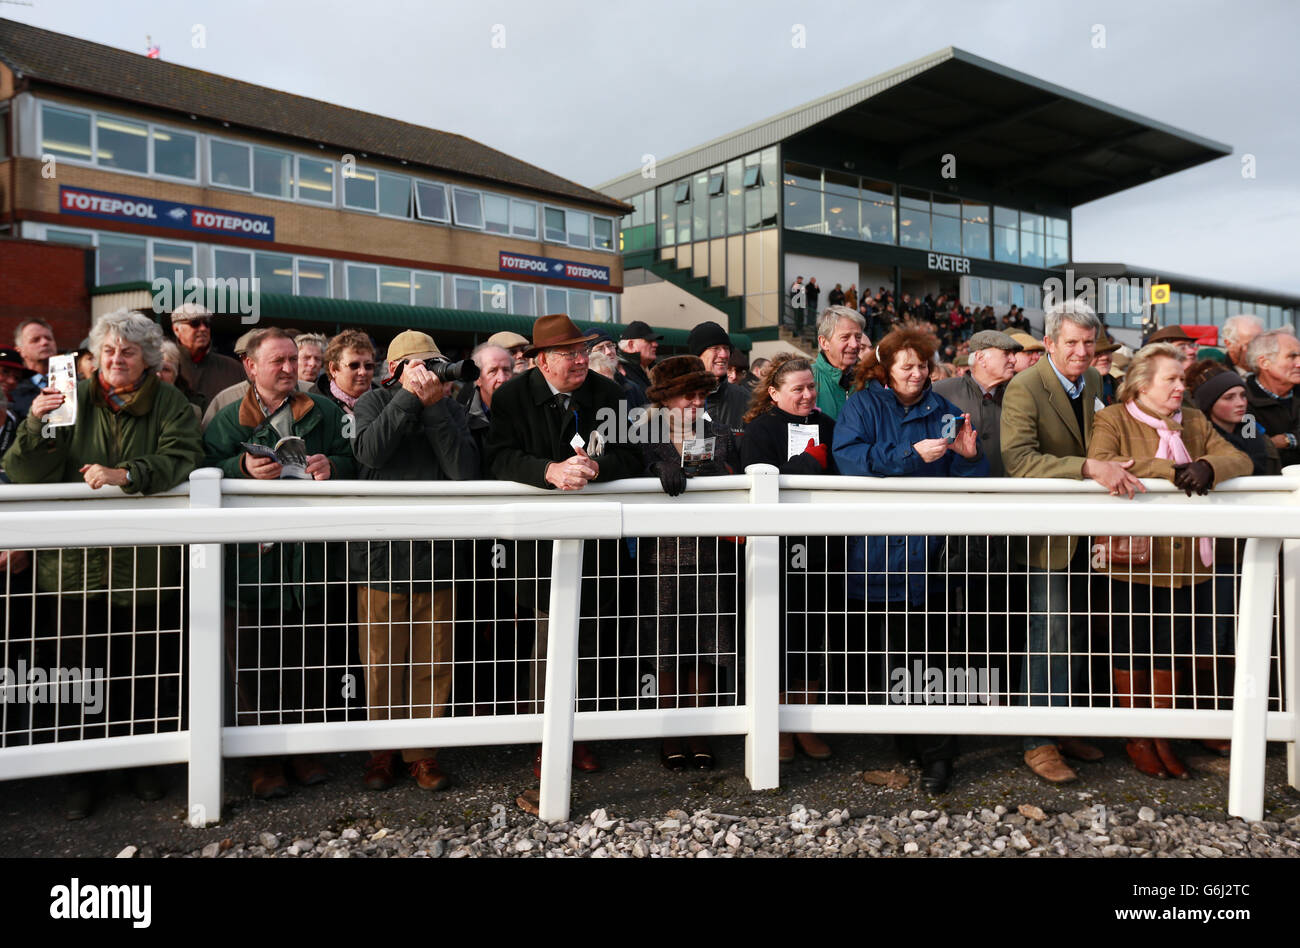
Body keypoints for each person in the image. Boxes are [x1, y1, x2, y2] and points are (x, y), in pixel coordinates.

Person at [3, 309, 203, 819]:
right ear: (95, 356)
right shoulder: (71, 396)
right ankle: (80, 776)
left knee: (145, 669)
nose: (117, 359)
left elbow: (181, 456)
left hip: (144, 564)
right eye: (109, 351)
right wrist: (37, 424)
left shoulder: (171, 402)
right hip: (71, 567)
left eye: (129, 352)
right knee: (74, 673)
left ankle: (145, 765)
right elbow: (24, 473)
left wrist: (125, 473)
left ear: (148, 359)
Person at [484, 313, 645, 812]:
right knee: (544, 640)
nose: (579, 360)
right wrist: (548, 471)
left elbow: (634, 455)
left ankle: (585, 734)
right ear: (541, 360)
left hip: (597, 540)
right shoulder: (511, 397)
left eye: (582, 351)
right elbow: (497, 457)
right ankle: (544, 738)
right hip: (538, 543)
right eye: (568, 353)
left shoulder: (609, 393)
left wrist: (596, 467)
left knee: (594, 637)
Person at [203, 326, 356, 799]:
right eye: (279, 361)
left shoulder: (326, 412)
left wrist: (334, 466)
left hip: (311, 562)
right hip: (251, 567)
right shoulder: (228, 419)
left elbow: (357, 461)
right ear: (251, 367)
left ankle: (306, 751)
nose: (290, 368)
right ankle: (262, 761)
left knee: (310, 660)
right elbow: (200, 469)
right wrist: (239, 470)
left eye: (293, 360)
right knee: (251, 667)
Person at [834, 328, 988, 793]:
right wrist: (908, 453)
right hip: (875, 551)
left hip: (927, 555)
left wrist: (968, 457)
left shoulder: (942, 409)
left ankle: (939, 753)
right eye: (907, 366)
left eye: (922, 366)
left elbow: (964, 477)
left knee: (932, 652)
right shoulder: (862, 405)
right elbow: (849, 459)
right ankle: (906, 740)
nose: (918, 374)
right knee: (883, 653)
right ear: (886, 370)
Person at [1089, 343, 1253, 778]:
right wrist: (1169, 469)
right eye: (1172, 380)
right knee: (1129, 646)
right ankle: (1138, 737)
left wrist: (1207, 466)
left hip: (1185, 564)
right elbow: (1106, 462)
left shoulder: (1195, 420)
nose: (1182, 386)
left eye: (1182, 379)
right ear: (1143, 384)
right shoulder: (1112, 418)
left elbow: (1240, 457)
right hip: (1133, 558)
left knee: (1172, 648)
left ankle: (1162, 735)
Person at [1001, 299, 1141, 784]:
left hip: (1087, 532)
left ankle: (1062, 724)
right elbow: (1018, 460)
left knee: (1078, 632)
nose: (1082, 352)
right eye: (1072, 343)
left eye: (1088, 343)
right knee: (1048, 633)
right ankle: (1037, 739)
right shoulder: (1023, 387)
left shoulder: (1097, 381)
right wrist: (1088, 467)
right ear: (1049, 343)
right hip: (1047, 536)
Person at [350, 330, 479, 792]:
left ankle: (423, 753)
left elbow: (463, 471)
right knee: (381, 663)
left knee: (435, 660)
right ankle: (382, 752)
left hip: (437, 558)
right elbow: (370, 453)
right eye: (419, 365)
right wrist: (406, 399)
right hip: (381, 561)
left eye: (436, 363)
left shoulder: (450, 409)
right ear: (394, 372)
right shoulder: (370, 403)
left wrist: (434, 408)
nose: (431, 373)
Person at [638, 356, 742, 770]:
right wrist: (655, 466)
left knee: (706, 640)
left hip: (708, 549)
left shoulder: (715, 431)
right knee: (663, 641)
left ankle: (698, 729)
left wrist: (691, 463)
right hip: (658, 553)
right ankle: (670, 731)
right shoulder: (642, 431)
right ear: (666, 398)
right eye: (688, 395)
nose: (697, 403)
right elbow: (629, 469)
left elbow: (720, 476)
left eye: (702, 395)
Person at [739, 354, 838, 766]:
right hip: (774, 547)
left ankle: (804, 722)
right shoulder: (759, 430)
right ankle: (776, 723)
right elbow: (757, 477)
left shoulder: (829, 426)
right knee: (776, 631)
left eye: (810, 387)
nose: (807, 394)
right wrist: (805, 464)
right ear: (774, 392)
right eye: (797, 388)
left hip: (819, 545)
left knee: (812, 632)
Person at [934, 330, 1020, 477]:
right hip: (956, 493)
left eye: (1014, 354)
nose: (1014, 360)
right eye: (1006, 354)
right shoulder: (941, 392)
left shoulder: (1019, 396)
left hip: (1007, 492)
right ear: (981, 358)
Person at [1187, 361, 1280, 476]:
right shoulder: (1199, 438)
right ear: (1209, 404)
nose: (1240, 403)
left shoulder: (1251, 428)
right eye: (1229, 398)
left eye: (1243, 395)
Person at [1242, 330, 1300, 468]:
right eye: (1292, 357)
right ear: (1264, 363)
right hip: (1268, 484)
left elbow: (1272, 443)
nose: (1299, 363)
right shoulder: (1242, 400)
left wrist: (1288, 440)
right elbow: (1252, 444)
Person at [687, 320, 748, 433]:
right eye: (715, 348)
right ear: (698, 355)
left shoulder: (744, 398)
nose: (724, 355)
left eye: (726, 348)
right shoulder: (678, 399)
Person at [457, 343, 513, 455]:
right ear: (478, 379)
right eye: (493, 371)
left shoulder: (528, 412)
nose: (501, 379)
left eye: (506, 370)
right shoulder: (462, 420)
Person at [812, 306, 866, 421]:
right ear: (824, 342)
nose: (854, 344)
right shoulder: (807, 380)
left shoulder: (870, 380)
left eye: (858, 337)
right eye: (845, 337)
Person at [313, 329, 377, 415]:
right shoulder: (313, 404)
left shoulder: (385, 403)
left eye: (368, 366)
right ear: (333, 369)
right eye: (354, 365)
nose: (363, 372)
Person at [9, 318, 58, 421]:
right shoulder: (11, 389)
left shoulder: (74, 382)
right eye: (35, 340)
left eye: (48, 338)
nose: (44, 342)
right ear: (20, 350)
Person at [617, 321, 660, 394]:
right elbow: (622, 403)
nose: (655, 344)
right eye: (649, 340)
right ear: (631, 345)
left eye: (655, 340)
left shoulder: (658, 370)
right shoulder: (618, 373)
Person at [1092, 333, 1121, 405]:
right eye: (1097, 353)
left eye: (1108, 352)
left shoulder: (1116, 386)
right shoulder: (1073, 390)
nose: (1105, 357)